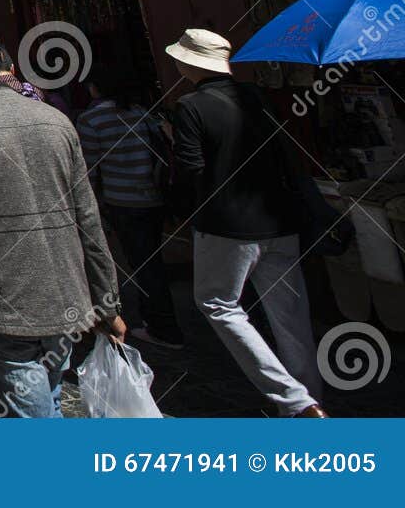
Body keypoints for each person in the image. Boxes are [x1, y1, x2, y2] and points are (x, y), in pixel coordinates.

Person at [0, 19, 124, 417]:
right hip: (65, 295)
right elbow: (88, 219)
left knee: (31, 415)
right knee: (49, 401)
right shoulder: (55, 120)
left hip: (1, 302)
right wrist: (107, 300)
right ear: (2, 59)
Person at [167, 28, 325, 417]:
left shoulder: (190, 106)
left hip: (227, 225)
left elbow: (190, 170)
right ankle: (310, 395)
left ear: (189, 63)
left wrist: (182, 207)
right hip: (278, 217)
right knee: (290, 313)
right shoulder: (257, 97)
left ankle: (296, 400)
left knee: (217, 303)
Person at [74, 62, 184, 350]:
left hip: (121, 201)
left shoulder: (92, 119)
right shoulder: (141, 113)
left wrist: (90, 205)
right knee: (150, 260)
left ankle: (161, 324)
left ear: (95, 88)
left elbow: (89, 168)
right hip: (152, 199)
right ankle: (155, 316)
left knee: (139, 263)